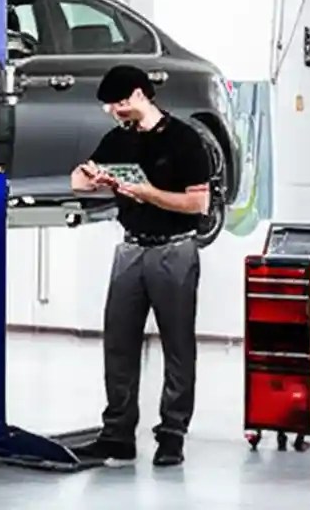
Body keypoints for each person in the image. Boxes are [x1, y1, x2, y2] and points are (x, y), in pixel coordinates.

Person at [68, 64, 212, 467]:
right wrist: (91, 177)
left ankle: (172, 434)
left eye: (116, 104)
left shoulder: (185, 140)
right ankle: (117, 433)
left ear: (136, 96)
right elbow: (76, 180)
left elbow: (198, 204)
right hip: (130, 250)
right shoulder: (118, 140)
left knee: (178, 346)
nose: (112, 113)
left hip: (175, 251)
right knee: (118, 343)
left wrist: (148, 193)